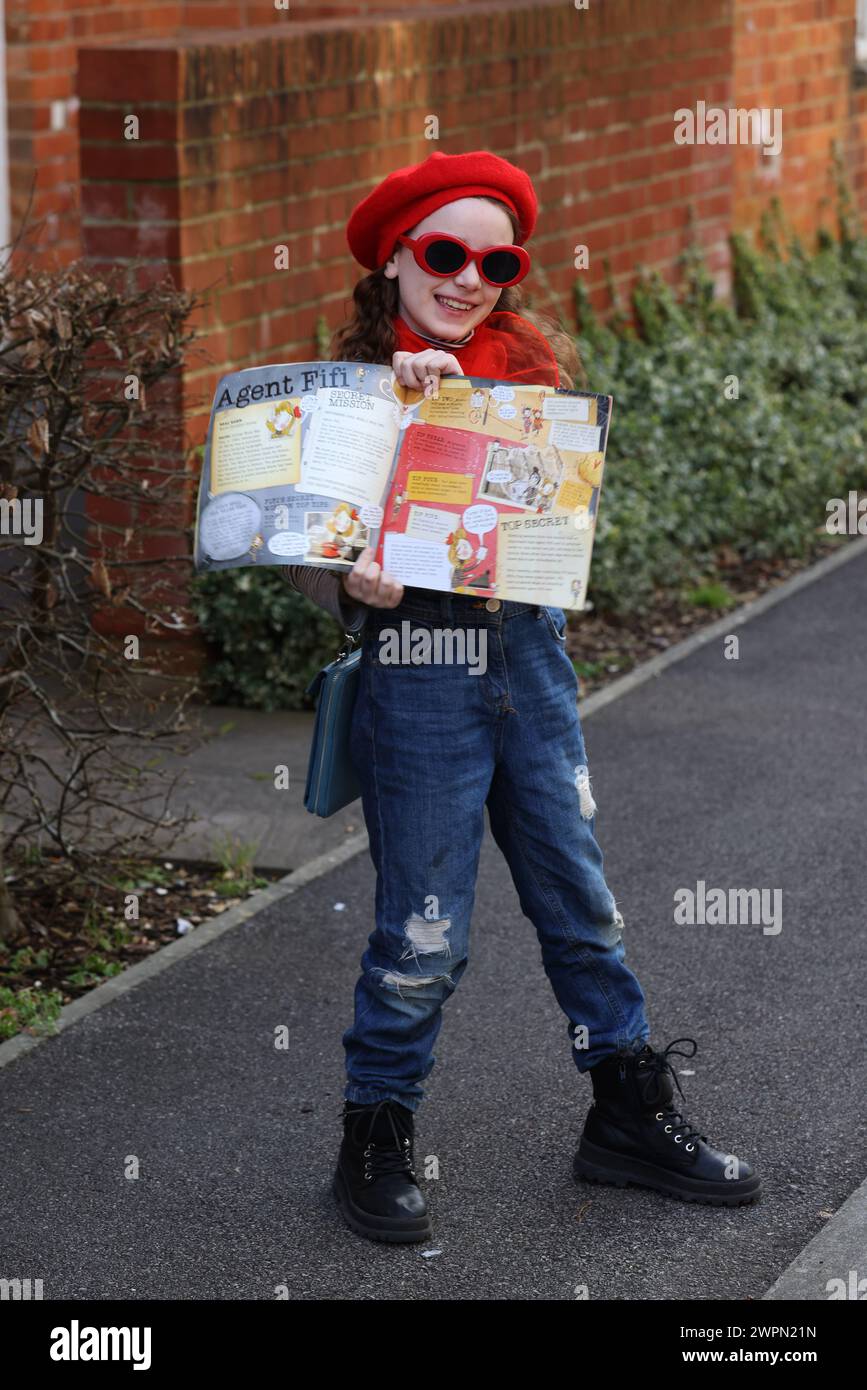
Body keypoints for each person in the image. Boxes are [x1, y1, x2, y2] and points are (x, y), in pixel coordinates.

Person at [282, 151, 761, 1242]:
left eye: (494, 258)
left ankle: (627, 1113)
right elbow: (305, 552)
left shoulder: (532, 374)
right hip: (415, 678)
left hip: (528, 663)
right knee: (424, 930)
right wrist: (350, 582)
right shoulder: (350, 394)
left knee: (580, 903)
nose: (467, 278)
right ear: (396, 255)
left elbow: (554, 526)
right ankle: (377, 1132)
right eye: (444, 253)